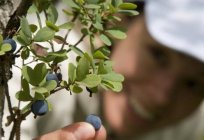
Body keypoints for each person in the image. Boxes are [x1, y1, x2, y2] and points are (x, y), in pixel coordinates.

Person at [31, 0, 204, 139]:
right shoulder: (40, 62)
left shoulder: (186, 124)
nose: (160, 98)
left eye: (192, 83)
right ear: (121, 20)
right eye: (158, 56)